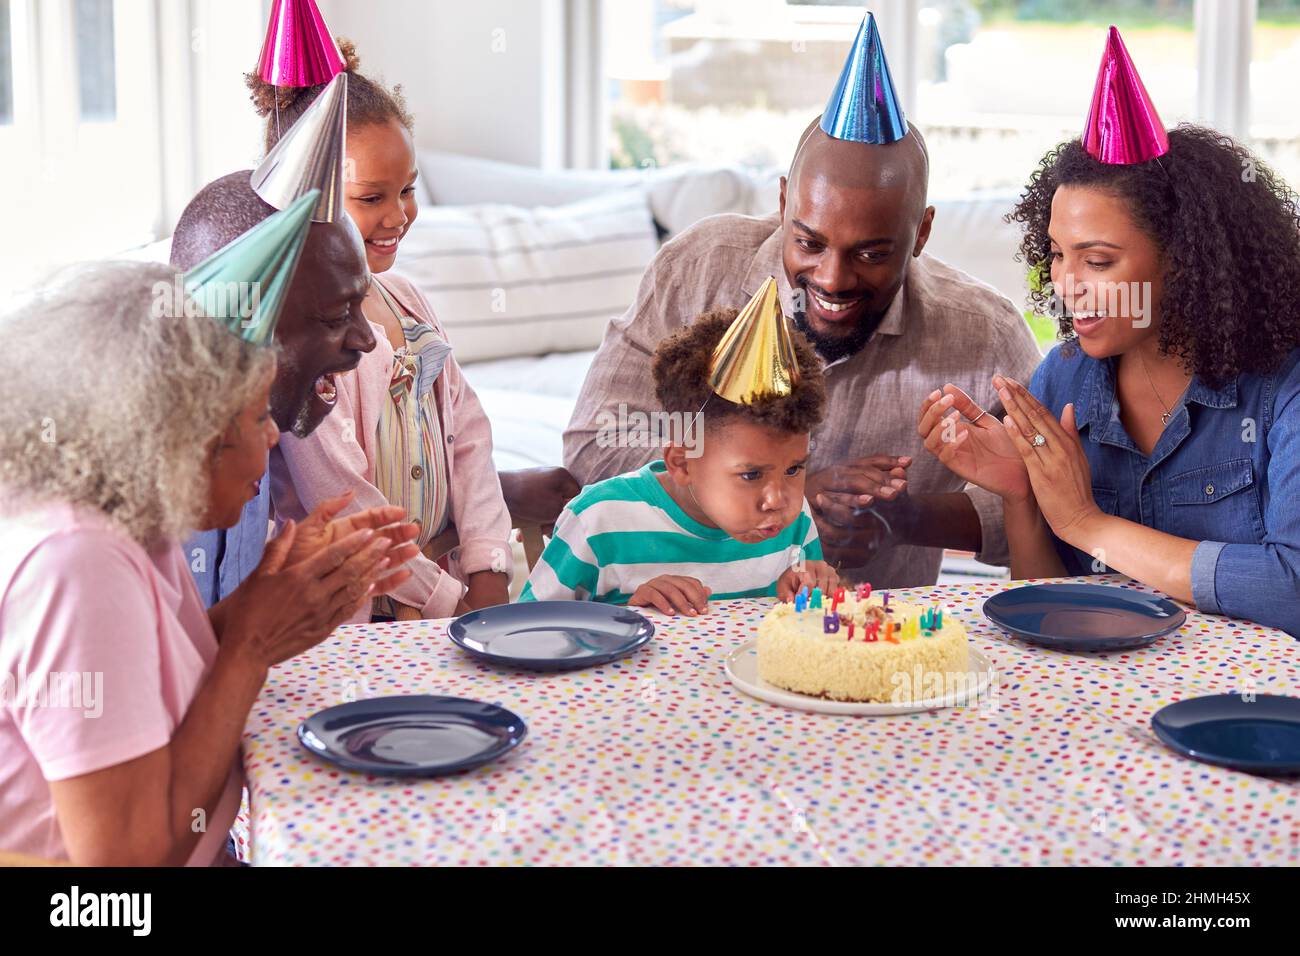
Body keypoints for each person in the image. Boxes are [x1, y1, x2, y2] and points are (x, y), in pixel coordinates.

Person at [564, 14, 1040, 588]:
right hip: (676, 628)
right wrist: (787, 493)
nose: (833, 278)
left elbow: (1051, 506)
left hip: (868, 643)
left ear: (922, 233)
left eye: (871, 254)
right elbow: (597, 445)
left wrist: (902, 518)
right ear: (785, 200)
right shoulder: (698, 269)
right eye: (809, 243)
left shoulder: (982, 333)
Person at [0, 263, 418, 864]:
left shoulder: (133, 517)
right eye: (257, 417)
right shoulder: (76, 568)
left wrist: (274, 602)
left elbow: (149, 684)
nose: (274, 438)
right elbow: (124, 871)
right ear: (183, 438)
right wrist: (251, 644)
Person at [917, 28, 1300, 637]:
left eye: (1097, 262)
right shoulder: (1063, 379)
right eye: (1057, 255)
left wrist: (1088, 523)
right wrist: (1023, 497)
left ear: (1184, 257)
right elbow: (1045, 610)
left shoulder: (1282, 389)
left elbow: (1292, 588)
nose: (1066, 286)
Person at [246, 40, 513, 622]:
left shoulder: (407, 298)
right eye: (371, 198)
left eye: (408, 189)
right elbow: (341, 502)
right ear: (302, 199)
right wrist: (445, 601)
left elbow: (468, 433)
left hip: (445, 594)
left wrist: (487, 565)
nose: (398, 216)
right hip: (362, 611)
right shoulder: (303, 335)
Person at [524, 297, 838, 613]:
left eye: (794, 469)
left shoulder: (794, 520)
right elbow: (527, 629)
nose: (777, 499)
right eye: (751, 475)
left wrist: (815, 587)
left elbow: (805, 625)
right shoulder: (599, 520)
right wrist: (627, 611)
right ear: (682, 462)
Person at [170, 171, 377, 605]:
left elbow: (192, 653)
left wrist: (267, 605)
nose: (367, 339)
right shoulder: (100, 548)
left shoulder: (229, 448)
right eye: (337, 316)